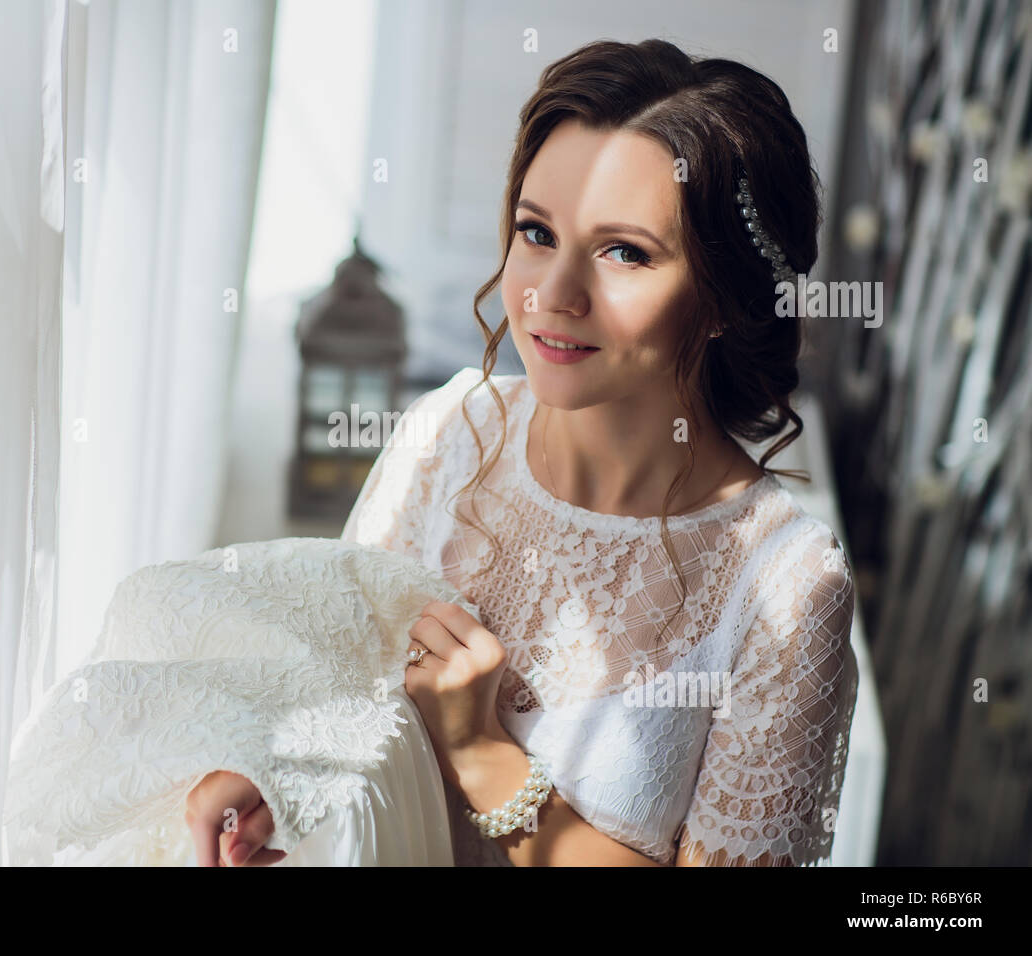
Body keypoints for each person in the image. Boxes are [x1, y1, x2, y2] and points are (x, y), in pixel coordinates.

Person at [186, 37, 858, 867]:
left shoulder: (789, 587)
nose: (553, 294)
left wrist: (483, 753)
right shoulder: (445, 434)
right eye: (537, 232)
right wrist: (263, 778)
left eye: (624, 252)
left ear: (726, 297)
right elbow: (327, 693)